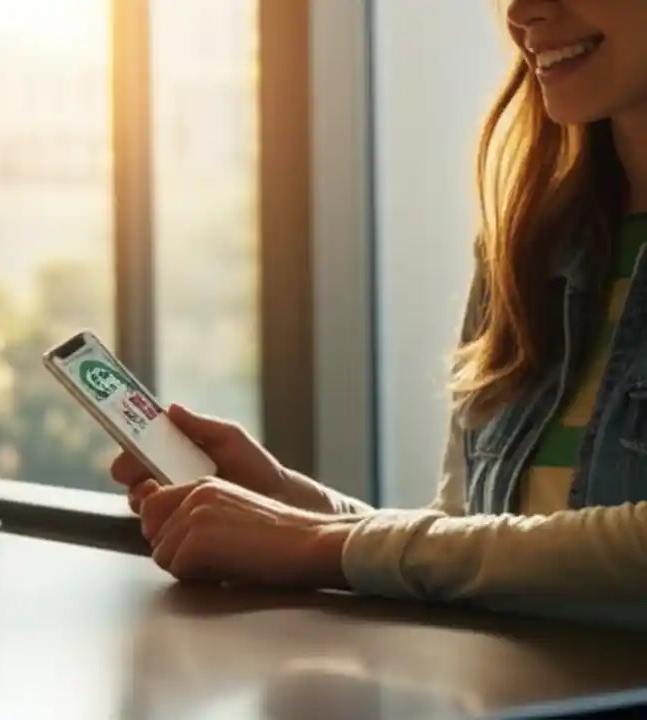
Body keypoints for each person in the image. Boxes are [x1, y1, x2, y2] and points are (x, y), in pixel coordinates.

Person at [112, 0, 647, 627]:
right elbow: (466, 547)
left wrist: (309, 542)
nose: (524, 12)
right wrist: (287, 504)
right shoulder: (528, 246)